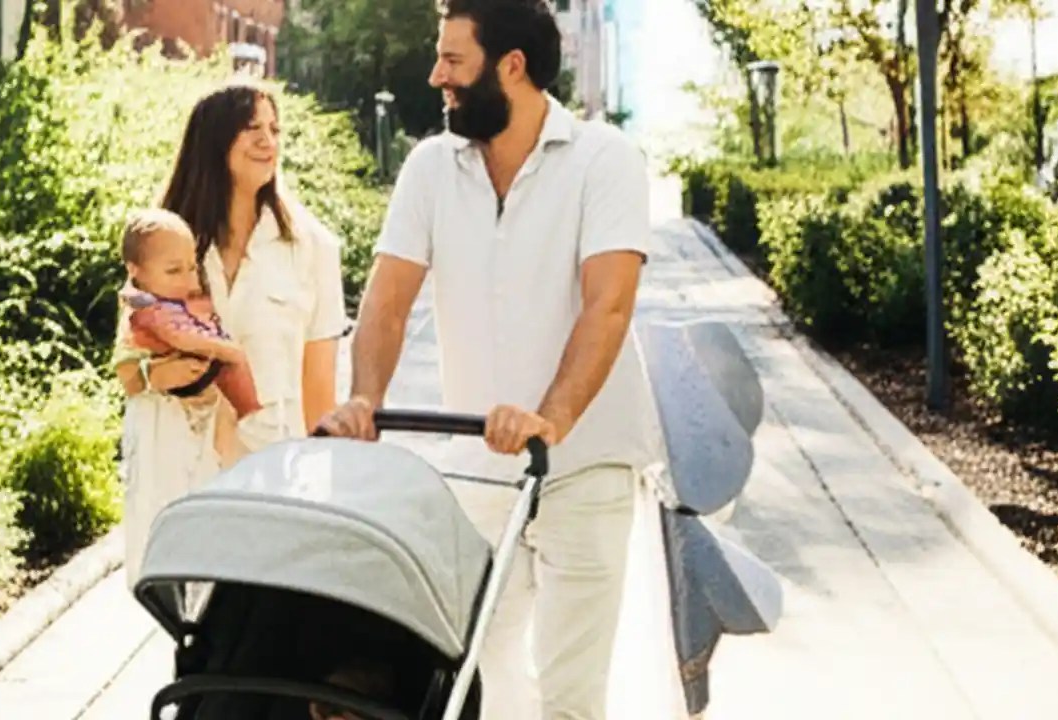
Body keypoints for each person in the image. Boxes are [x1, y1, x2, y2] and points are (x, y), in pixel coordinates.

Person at [315, 1, 657, 718]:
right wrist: (365, 399)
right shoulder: (432, 167)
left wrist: (549, 418)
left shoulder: (604, 160)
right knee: (487, 672)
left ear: (512, 67)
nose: (436, 75)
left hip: (587, 461)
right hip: (479, 464)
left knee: (569, 686)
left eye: (453, 60)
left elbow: (609, 306)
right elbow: (386, 301)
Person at [116, 78, 349, 587]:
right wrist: (161, 374)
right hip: (178, 466)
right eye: (252, 129)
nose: (269, 141)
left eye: (274, 128)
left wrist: (325, 491)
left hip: (271, 473)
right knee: (186, 629)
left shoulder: (312, 247)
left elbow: (320, 390)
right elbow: (129, 363)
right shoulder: (166, 241)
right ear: (214, 141)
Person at [114, 208, 263, 421]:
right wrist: (152, 377)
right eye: (173, 271)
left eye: (192, 268)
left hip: (210, 422)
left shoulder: (189, 301)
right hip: (161, 426)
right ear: (134, 270)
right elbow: (124, 370)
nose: (187, 280)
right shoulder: (138, 313)